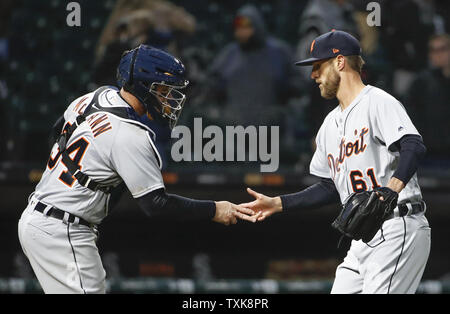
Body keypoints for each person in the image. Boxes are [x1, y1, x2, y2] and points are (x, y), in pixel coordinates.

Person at [17, 45, 257, 294]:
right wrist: (214, 209)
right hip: (62, 230)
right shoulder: (130, 135)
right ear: (143, 86)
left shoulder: (92, 97)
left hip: (39, 217)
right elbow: (156, 205)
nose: (170, 98)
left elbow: (58, 131)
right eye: (164, 90)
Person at [241, 30, 431, 294]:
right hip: (363, 237)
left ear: (340, 62)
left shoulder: (377, 101)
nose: (313, 75)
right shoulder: (329, 125)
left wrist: (391, 189)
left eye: (318, 66)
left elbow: (413, 145)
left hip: (398, 225)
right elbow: (330, 187)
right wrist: (279, 203)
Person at [405, 33, 450, 158]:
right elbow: (410, 113)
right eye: (433, 50)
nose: (438, 54)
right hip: (429, 152)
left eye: (442, 49)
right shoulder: (421, 82)